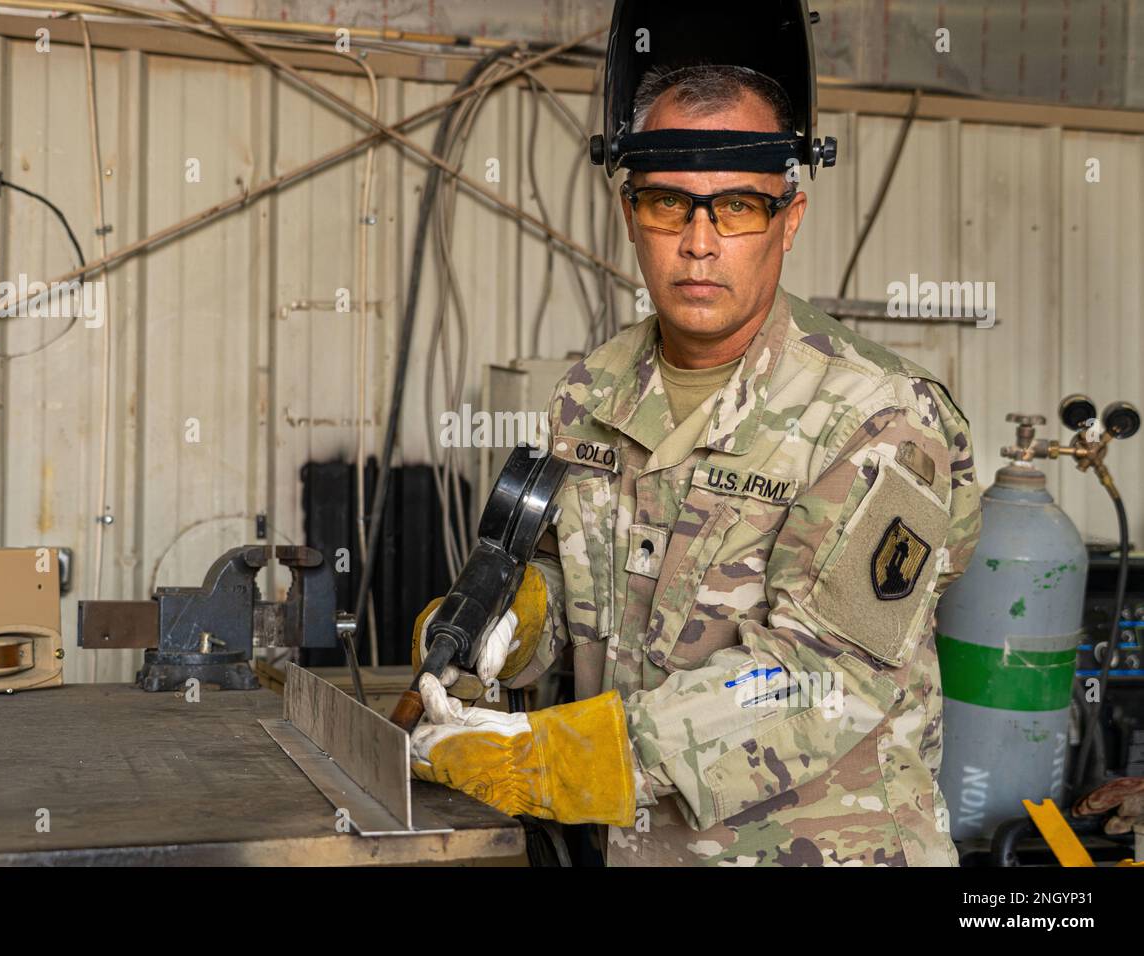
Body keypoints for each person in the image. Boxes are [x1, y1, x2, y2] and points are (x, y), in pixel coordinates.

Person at [409, 4, 982, 867]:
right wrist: (512, 619)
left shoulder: (881, 420)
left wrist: (565, 759)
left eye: (739, 208)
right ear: (630, 212)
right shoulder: (591, 393)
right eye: (670, 204)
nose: (700, 243)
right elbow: (574, 578)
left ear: (788, 221)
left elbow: (821, 679)